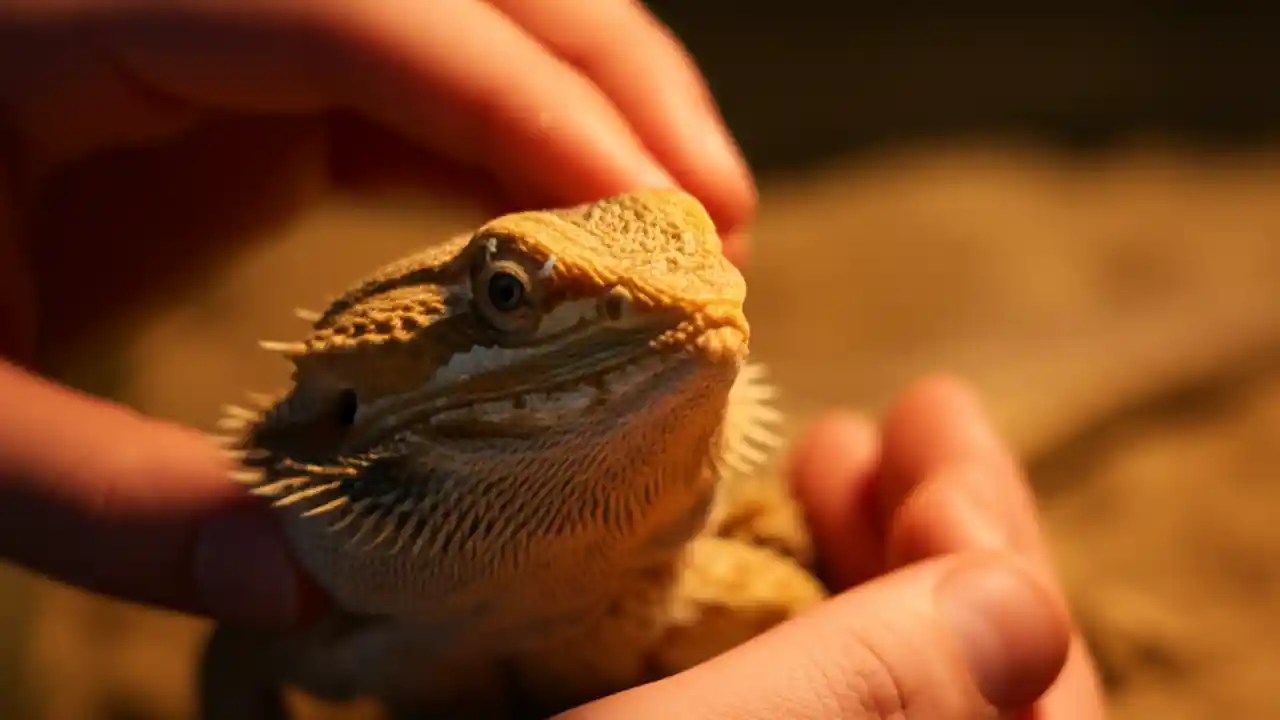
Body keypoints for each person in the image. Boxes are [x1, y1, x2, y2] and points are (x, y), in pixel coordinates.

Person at [0, 2, 1105, 717]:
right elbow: (234, 670)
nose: (700, 310)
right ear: (350, 406)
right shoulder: (314, 613)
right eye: (510, 298)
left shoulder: (717, 591)